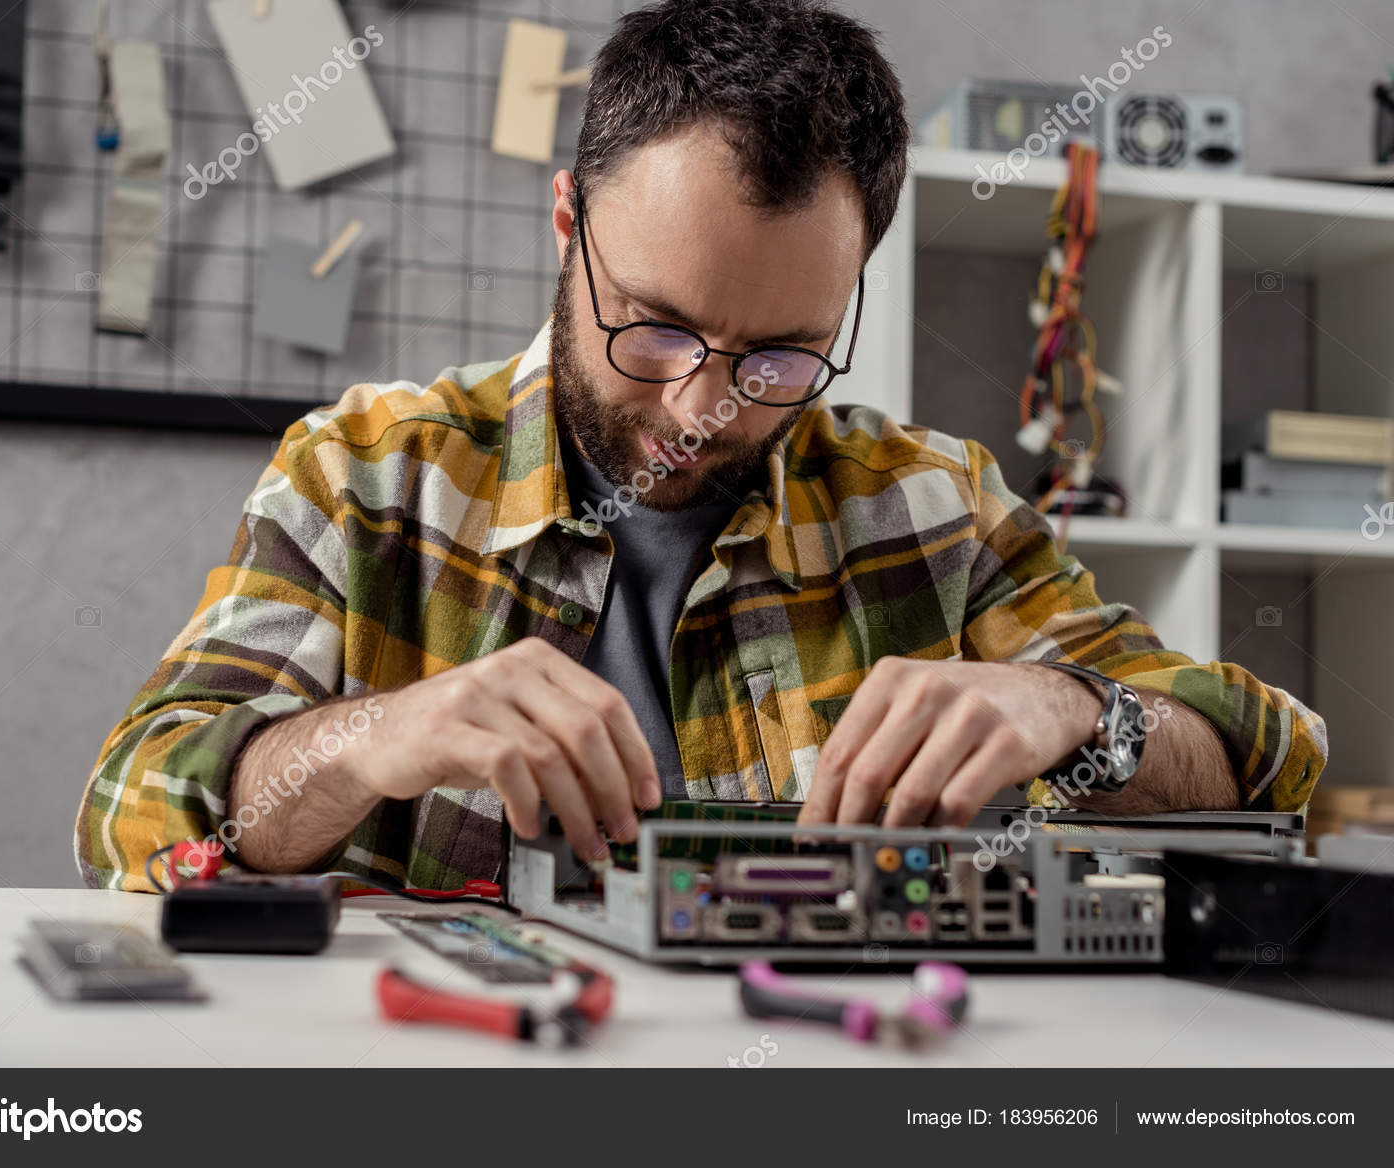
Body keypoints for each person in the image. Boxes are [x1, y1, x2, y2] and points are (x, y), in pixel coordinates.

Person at [76, 0, 1325, 892]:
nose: (703, 407)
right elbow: (131, 810)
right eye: (658, 329)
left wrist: (1065, 708)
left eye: (781, 355)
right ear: (566, 226)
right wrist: (373, 739)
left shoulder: (933, 510)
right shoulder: (362, 477)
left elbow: (1271, 765)